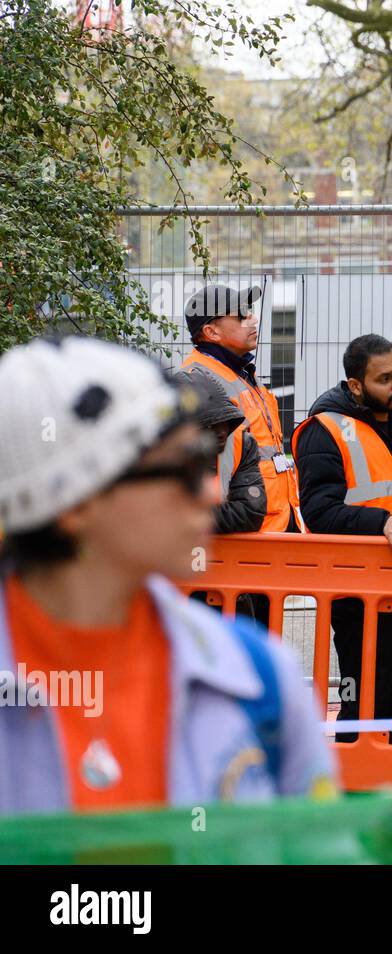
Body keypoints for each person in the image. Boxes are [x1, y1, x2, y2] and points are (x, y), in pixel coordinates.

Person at [0, 336, 335, 813]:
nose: (212, 494)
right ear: (76, 502)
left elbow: (314, 845)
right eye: (183, 470)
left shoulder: (259, 677)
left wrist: (387, 843)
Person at [292, 335, 392, 746]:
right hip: (359, 593)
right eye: (385, 378)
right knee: (363, 708)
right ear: (355, 386)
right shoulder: (325, 430)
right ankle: (357, 800)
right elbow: (318, 512)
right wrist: (381, 522)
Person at [181, 283, 302, 532]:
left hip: (276, 522)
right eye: (241, 315)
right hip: (244, 531)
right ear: (211, 332)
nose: (252, 319)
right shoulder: (199, 383)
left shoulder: (242, 375)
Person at [178, 368, 266, 534]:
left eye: (225, 421)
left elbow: (251, 513)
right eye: (211, 425)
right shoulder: (157, 451)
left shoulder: (242, 444)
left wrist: (184, 518)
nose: (222, 432)